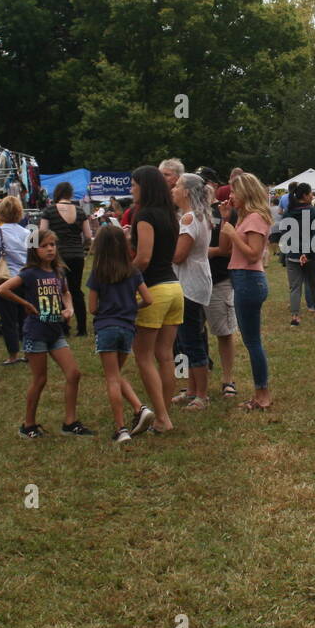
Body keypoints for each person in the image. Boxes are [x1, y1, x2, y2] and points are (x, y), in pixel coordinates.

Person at [0, 230, 94, 439]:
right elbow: (2, 289)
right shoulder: (29, 274)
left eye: (52, 244)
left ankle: (70, 422)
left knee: (74, 374)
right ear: (34, 249)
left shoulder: (58, 272)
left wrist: (69, 308)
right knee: (40, 379)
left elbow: (66, 292)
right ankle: (28, 425)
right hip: (36, 333)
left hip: (55, 332)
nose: (50, 249)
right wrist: (25, 304)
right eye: (44, 246)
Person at [88, 224, 156, 442]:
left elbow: (92, 308)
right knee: (116, 373)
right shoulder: (133, 272)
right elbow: (148, 299)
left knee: (112, 378)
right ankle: (139, 408)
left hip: (106, 327)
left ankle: (121, 428)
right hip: (127, 329)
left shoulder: (98, 273)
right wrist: (131, 307)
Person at [130, 165, 183, 434]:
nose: (131, 189)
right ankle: (165, 414)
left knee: (143, 356)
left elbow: (143, 258)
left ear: (144, 186)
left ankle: (161, 417)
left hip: (154, 290)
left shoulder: (145, 215)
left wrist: (120, 278)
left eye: (134, 184)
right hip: (174, 288)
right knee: (165, 355)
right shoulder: (170, 215)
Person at [222, 172, 274, 411]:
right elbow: (230, 248)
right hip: (244, 279)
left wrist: (233, 234)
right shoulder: (247, 217)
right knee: (251, 340)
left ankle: (262, 395)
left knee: (252, 342)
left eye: (234, 191)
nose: (231, 196)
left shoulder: (255, 218)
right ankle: (260, 392)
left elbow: (253, 254)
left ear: (246, 192)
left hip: (249, 279)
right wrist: (228, 220)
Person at [171, 174, 214, 409]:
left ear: (187, 191)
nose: (173, 190)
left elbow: (179, 256)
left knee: (191, 340)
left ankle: (201, 394)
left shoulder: (189, 219)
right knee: (188, 338)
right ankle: (191, 390)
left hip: (189, 284)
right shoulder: (200, 216)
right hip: (197, 281)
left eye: (177, 186)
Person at [0, 195, 31, 365]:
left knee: (8, 319)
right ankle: (28, 351)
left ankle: (13, 355)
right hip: (25, 278)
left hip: (6, 279)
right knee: (25, 317)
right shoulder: (28, 232)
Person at [39, 182, 93, 337]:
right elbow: (88, 236)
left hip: (58, 255)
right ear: (70, 194)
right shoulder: (80, 211)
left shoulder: (49, 211)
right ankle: (82, 328)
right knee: (76, 290)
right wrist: (81, 247)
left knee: (58, 289)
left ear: (57, 193)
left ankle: (63, 327)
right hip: (77, 255)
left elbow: (42, 234)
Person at [278, 182, 315, 326]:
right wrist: (306, 252)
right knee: (314, 285)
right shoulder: (311, 211)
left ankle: (295, 317)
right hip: (311, 255)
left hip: (293, 254)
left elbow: (285, 233)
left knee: (295, 287)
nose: (312, 195)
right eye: (311, 193)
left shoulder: (288, 212)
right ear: (305, 195)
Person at [207, 182, 239, 398]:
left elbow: (229, 249)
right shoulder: (183, 214)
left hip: (218, 279)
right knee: (186, 336)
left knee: (224, 332)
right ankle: (187, 381)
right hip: (189, 282)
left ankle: (228, 380)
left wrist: (210, 251)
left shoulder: (225, 212)